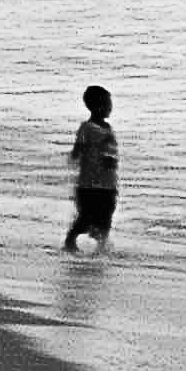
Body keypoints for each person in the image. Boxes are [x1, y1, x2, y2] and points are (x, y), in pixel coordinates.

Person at [62, 86, 119, 253]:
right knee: (85, 218)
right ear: (97, 106)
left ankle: (100, 247)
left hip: (108, 184)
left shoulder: (108, 128)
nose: (110, 107)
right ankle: (70, 245)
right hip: (89, 185)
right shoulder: (87, 128)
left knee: (105, 217)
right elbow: (77, 151)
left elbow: (110, 156)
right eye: (107, 103)